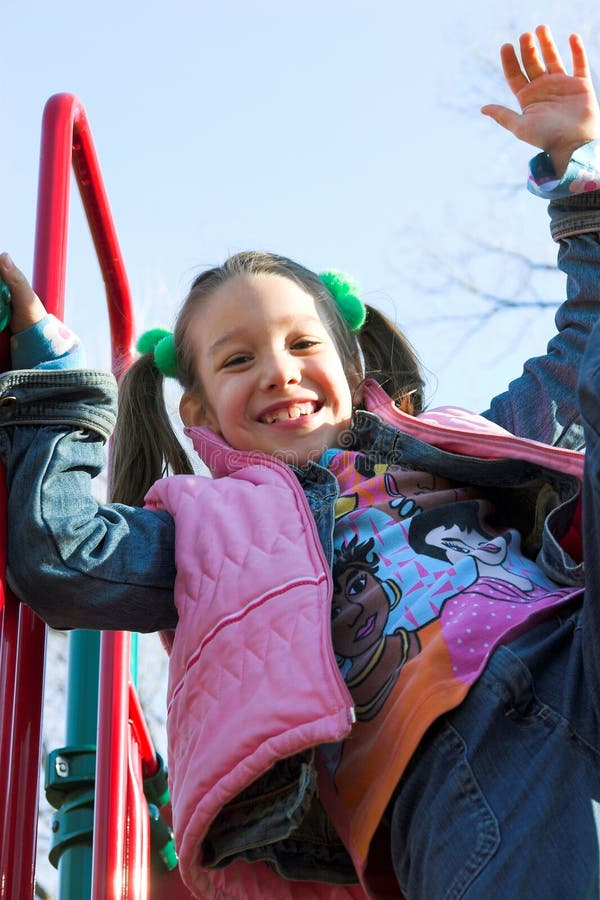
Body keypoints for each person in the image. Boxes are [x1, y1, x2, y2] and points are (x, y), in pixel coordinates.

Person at [1, 23, 599, 900]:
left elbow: (581, 357)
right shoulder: (206, 532)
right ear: (197, 409)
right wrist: (50, 373)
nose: (279, 371)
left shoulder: (457, 444)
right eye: (239, 359)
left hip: (570, 645)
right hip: (453, 758)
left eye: (301, 344)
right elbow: (65, 555)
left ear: (351, 365)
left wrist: (576, 165)